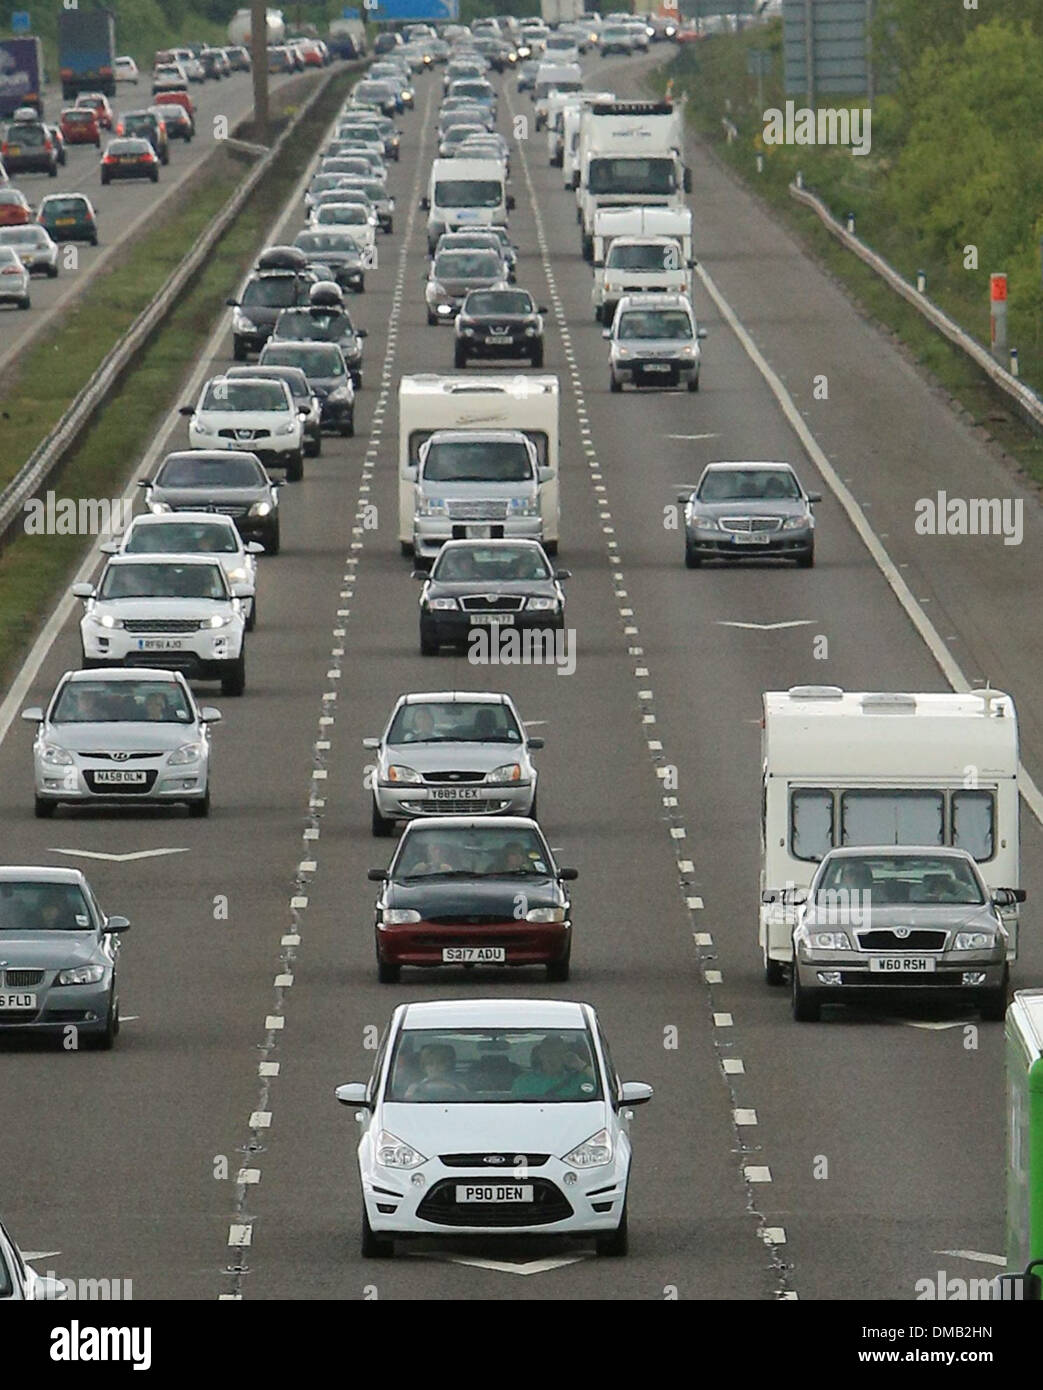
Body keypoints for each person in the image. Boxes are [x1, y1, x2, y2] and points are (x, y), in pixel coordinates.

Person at [512, 1036, 596, 1100]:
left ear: (566, 1056)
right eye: (548, 1053)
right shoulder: (524, 1081)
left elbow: (601, 1087)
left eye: (558, 1053)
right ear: (540, 1055)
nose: (553, 1057)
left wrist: (580, 1065)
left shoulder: (579, 1079)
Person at [404, 1043, 469, 1100]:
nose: (435, 1067)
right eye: (430, 1064)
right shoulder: (414, 1088)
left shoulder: (460, 1087)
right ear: (424, 1067)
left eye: (440, 1063)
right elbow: (407, 1106)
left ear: (447, 1065)